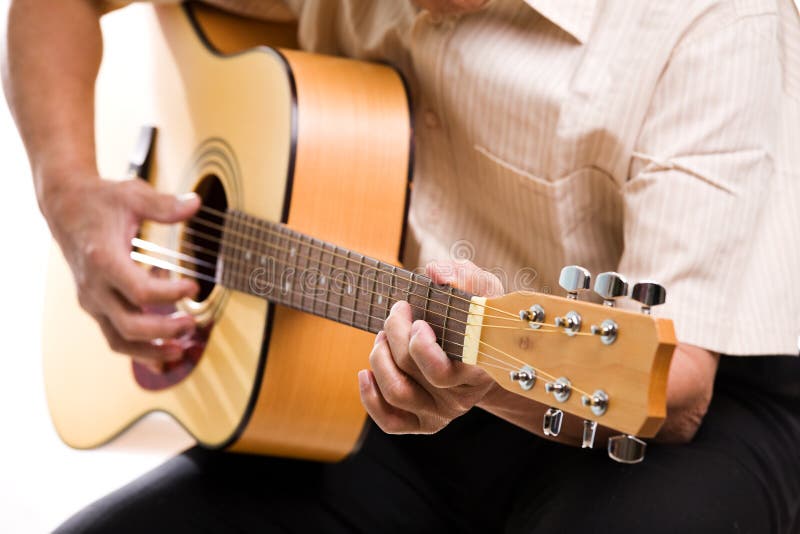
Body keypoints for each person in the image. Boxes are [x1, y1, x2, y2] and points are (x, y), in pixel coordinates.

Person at [3, 0, 799, 532]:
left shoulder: (710, 20)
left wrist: (485, 375)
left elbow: (679, 380)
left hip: (665, 405)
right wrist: (68, 190)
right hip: (374, 385)